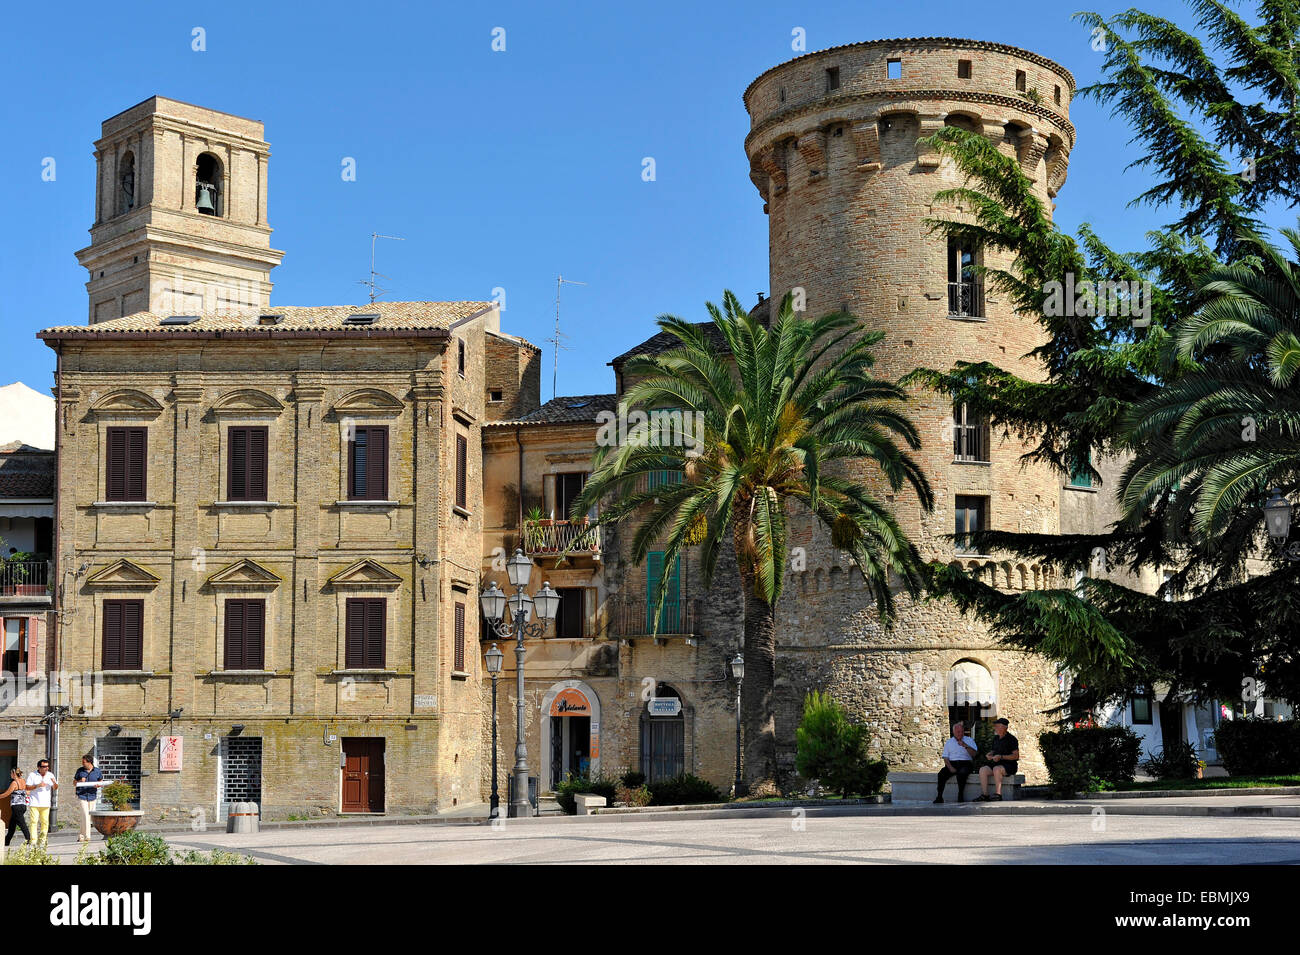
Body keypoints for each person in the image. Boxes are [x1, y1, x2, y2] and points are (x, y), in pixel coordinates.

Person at [935, 721, 979, 803]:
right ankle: (939, 797)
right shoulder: (949, 742)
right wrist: (950, 767)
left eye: (962, 732)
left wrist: (965, 745)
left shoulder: (969, 740)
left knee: (962, 773)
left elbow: (974, 754)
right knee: (941, 774)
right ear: (954, 732)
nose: (960, 733)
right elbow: (945, 757)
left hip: (965, 763)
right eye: (958, 732)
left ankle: (960, 795)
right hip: (952, 763)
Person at [977, 718, 1020, 801]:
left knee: (997, 769)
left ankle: (998, 794)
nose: (995, 728)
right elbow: (993, 750)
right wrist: (990, 754)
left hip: (1009, 765)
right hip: (996, 763)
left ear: (1003, 728)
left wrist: (1001, 757)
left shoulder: (1012, 739)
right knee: (983, 770)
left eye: (997, 726)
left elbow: (1016, 756)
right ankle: (985, 795)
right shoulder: (996, 738)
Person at [73, 753, 104, 843]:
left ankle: (81, 836)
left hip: (92, 795)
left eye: (84, 762)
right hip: (82, 795)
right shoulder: (80, 771)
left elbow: (100, 780)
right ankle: (87, 836)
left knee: (88, 817)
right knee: (85, 815)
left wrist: (98, 785)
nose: (82, 763)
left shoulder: (97, 771)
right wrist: (79, 781)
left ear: (89, 762)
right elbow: (74, 782)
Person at [24, 759, 57, 845]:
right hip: (34, 802)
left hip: (46, 803)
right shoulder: (32, 775)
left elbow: (55, 787)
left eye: (47, 766)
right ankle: (33, 840)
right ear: (39, 767)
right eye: (44, 767)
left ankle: (42, 840)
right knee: (34, 822)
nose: (46, 768)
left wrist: (54, 783)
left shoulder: (50, 775)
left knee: (45, 822)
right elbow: (27, 787)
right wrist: (37, 785)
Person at [0, 768, 31, 849]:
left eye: (11, 773)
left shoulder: (14, 783)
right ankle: (6, 842)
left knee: (22, 824)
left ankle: (29, 840)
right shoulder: (23, 781)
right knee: (12, 825)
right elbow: (28, 792)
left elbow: (7, 793)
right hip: (23, 806)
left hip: (16, 807)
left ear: (14, 774)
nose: (10, 775)